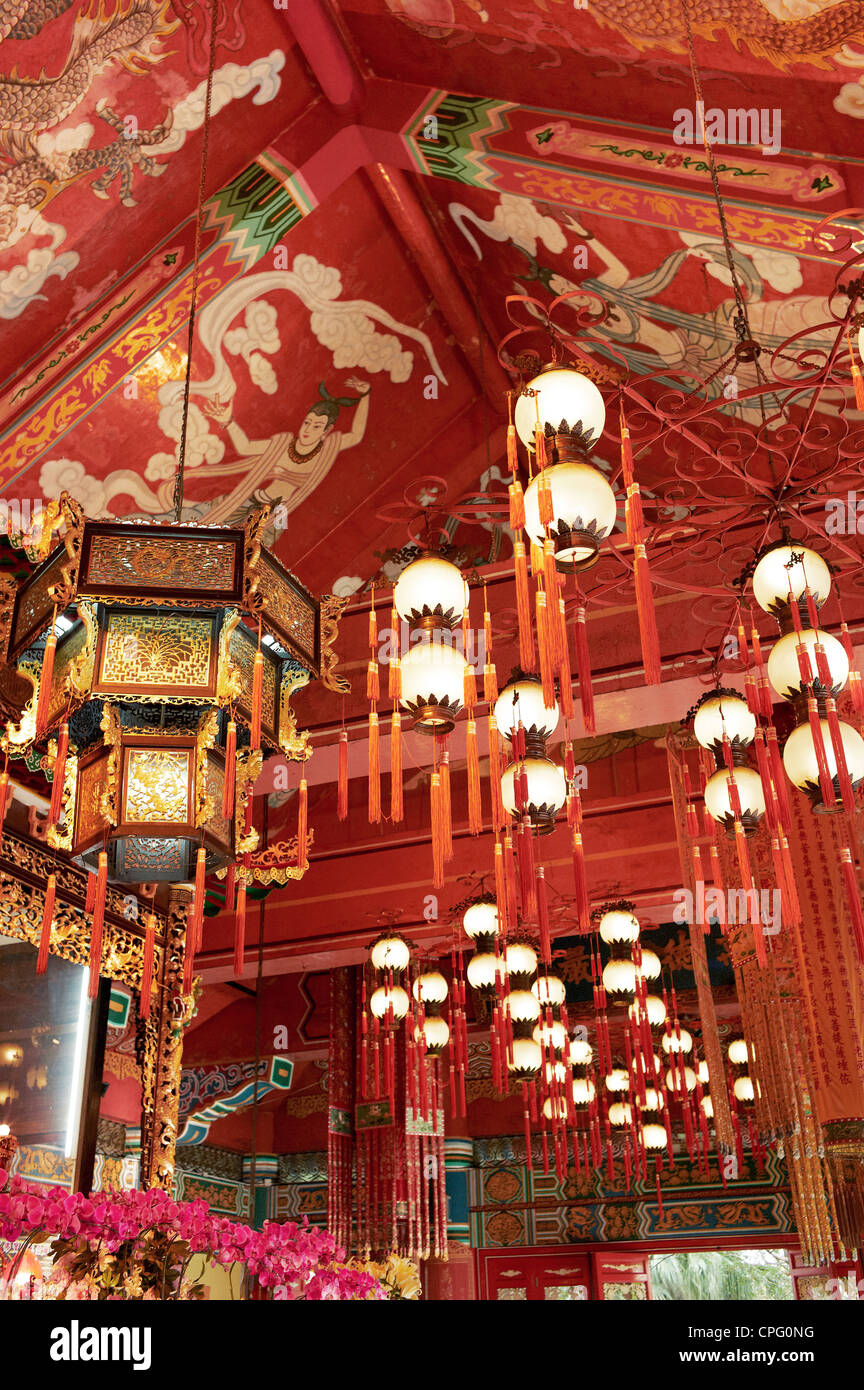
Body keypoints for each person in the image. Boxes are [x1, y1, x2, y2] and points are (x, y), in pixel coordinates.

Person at [194, 377, 371, 525]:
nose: (308, 430)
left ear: (327, 431)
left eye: (317, 426)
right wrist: (229, 423)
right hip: (254, 500)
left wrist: (365, 395)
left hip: (278, 514)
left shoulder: (326, 452)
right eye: (307, 423)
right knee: (205, 526)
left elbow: (356, 435)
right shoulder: (283, 444)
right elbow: (245, 447)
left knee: (254, 559)